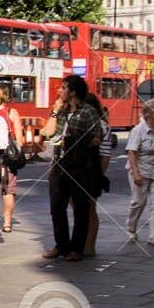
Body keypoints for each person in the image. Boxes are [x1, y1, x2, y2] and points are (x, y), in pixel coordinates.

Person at [41, 75, 101, 263]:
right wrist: (55, 110)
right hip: (59, 164)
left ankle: (76, 249)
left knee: (80, 209)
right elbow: (49, 132)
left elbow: (97, 137)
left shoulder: (88, 112)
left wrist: (76, 145)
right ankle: (61, 245)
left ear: (73, 92)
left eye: (63, 88)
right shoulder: (61, 110)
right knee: (56, 207)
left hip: (79, 166)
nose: (59, 91)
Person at [125, 98, 154, 245]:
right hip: (140, 170)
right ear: (149, 114)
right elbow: (131, 153)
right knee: (138, 202)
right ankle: (131, 228)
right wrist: (136, 173)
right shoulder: (138, 130)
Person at [82, 93, 115, 257]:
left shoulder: (100, 126)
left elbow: (105, 154)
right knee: (87, 210)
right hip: (85, 173)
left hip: (87, 173)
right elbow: (106, 155)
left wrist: (97, 175)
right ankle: (87, 245)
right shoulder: (102, 125)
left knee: (88, 210)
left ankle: (88, 245)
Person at [0, 85, 22, 235]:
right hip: (8, 158)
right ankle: (7, 223)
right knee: (8, 191)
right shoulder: (11, 112)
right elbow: (19, 139)